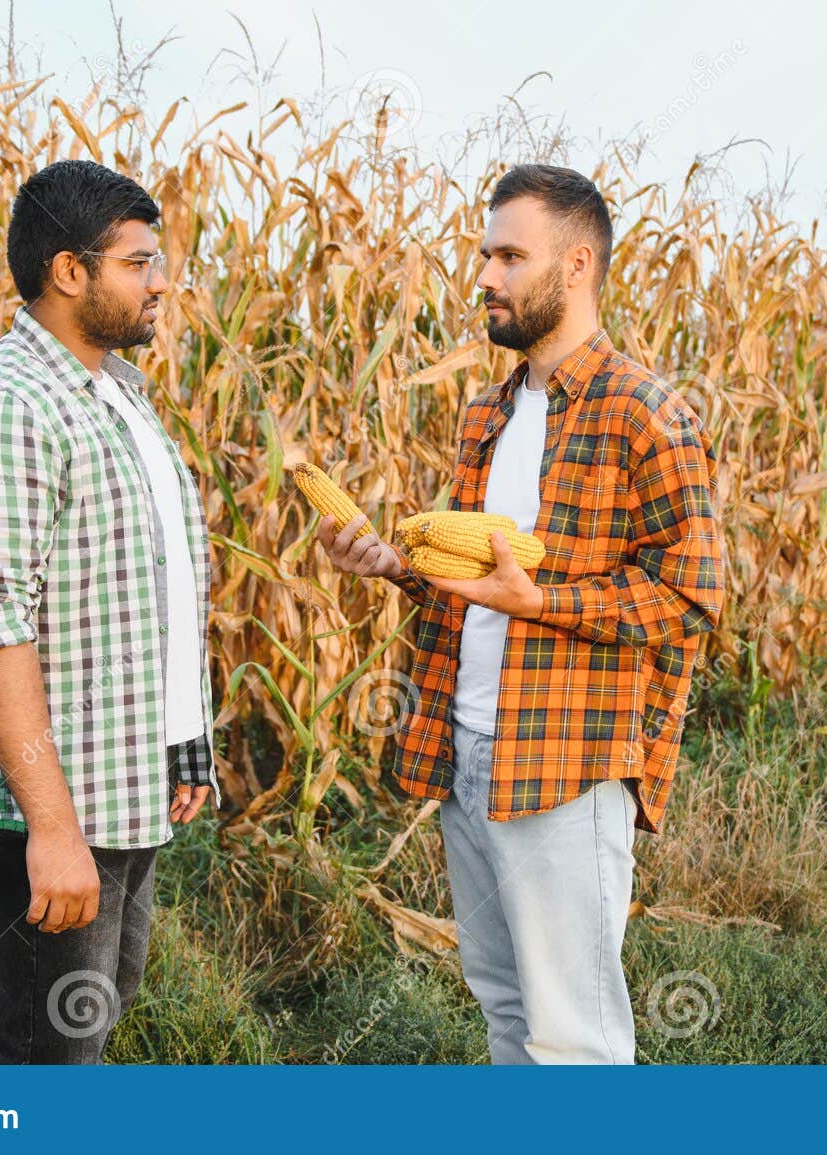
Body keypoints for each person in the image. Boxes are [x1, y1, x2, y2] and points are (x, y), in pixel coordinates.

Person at [317, 163, 725, 1063]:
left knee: (572, 1038)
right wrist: (396, 567)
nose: (487, 277)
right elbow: (476, 586)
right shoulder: (489, 414)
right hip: (469, 755)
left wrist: (543, 601)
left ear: (577, 266)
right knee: (505, 1010)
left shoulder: (646, 415)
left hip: (564, 766)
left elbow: (691, 598)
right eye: (484, 254)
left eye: (510, 255)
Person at [0, 159, 218, 1063]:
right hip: (54, 806)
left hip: (126, 781)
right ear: (69, 272)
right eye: (139, 262)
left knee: (93, 1019)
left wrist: (185, 741)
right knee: (45, 1052)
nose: (162, 280)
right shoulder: (7, 405)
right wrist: (50, 827)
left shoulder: (117, 396)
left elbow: (147, 589)